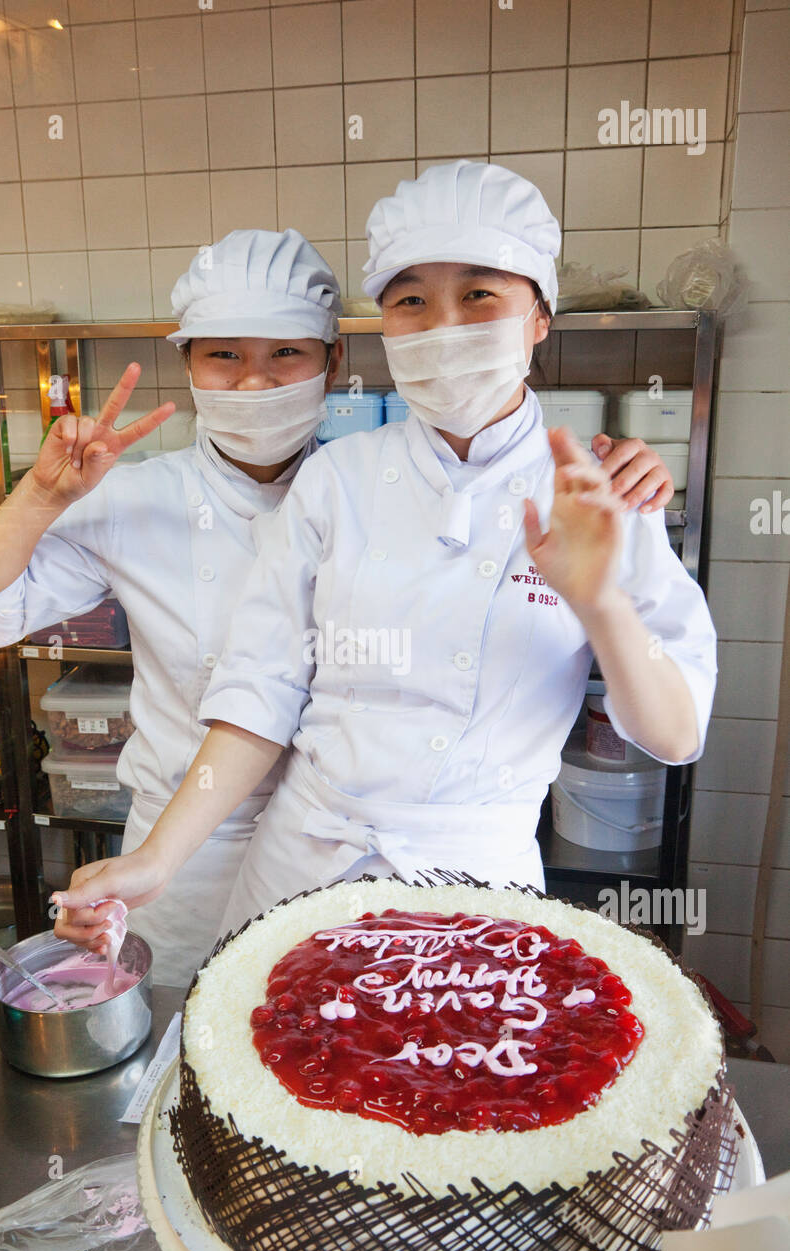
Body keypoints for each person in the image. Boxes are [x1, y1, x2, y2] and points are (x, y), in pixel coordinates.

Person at [52, 160, 711, 952]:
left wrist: (599, 601)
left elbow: (674, 736)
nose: (442, 325)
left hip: (478, 880)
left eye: (478, 294)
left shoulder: (596, 490)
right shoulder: (341, 478)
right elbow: (261, 694)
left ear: (539, 315)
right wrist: (157, 859)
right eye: (410, 301)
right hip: (301, 865)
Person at [0, 229, 343, 985]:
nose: (253, 382)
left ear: (332, 362)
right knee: (178, 1053)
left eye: (284, 352)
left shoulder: (369, 492)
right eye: (224, 355)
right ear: (186, 364)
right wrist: (40, 497)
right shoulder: (139, 494)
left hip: (332, 847)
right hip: (179, 865)